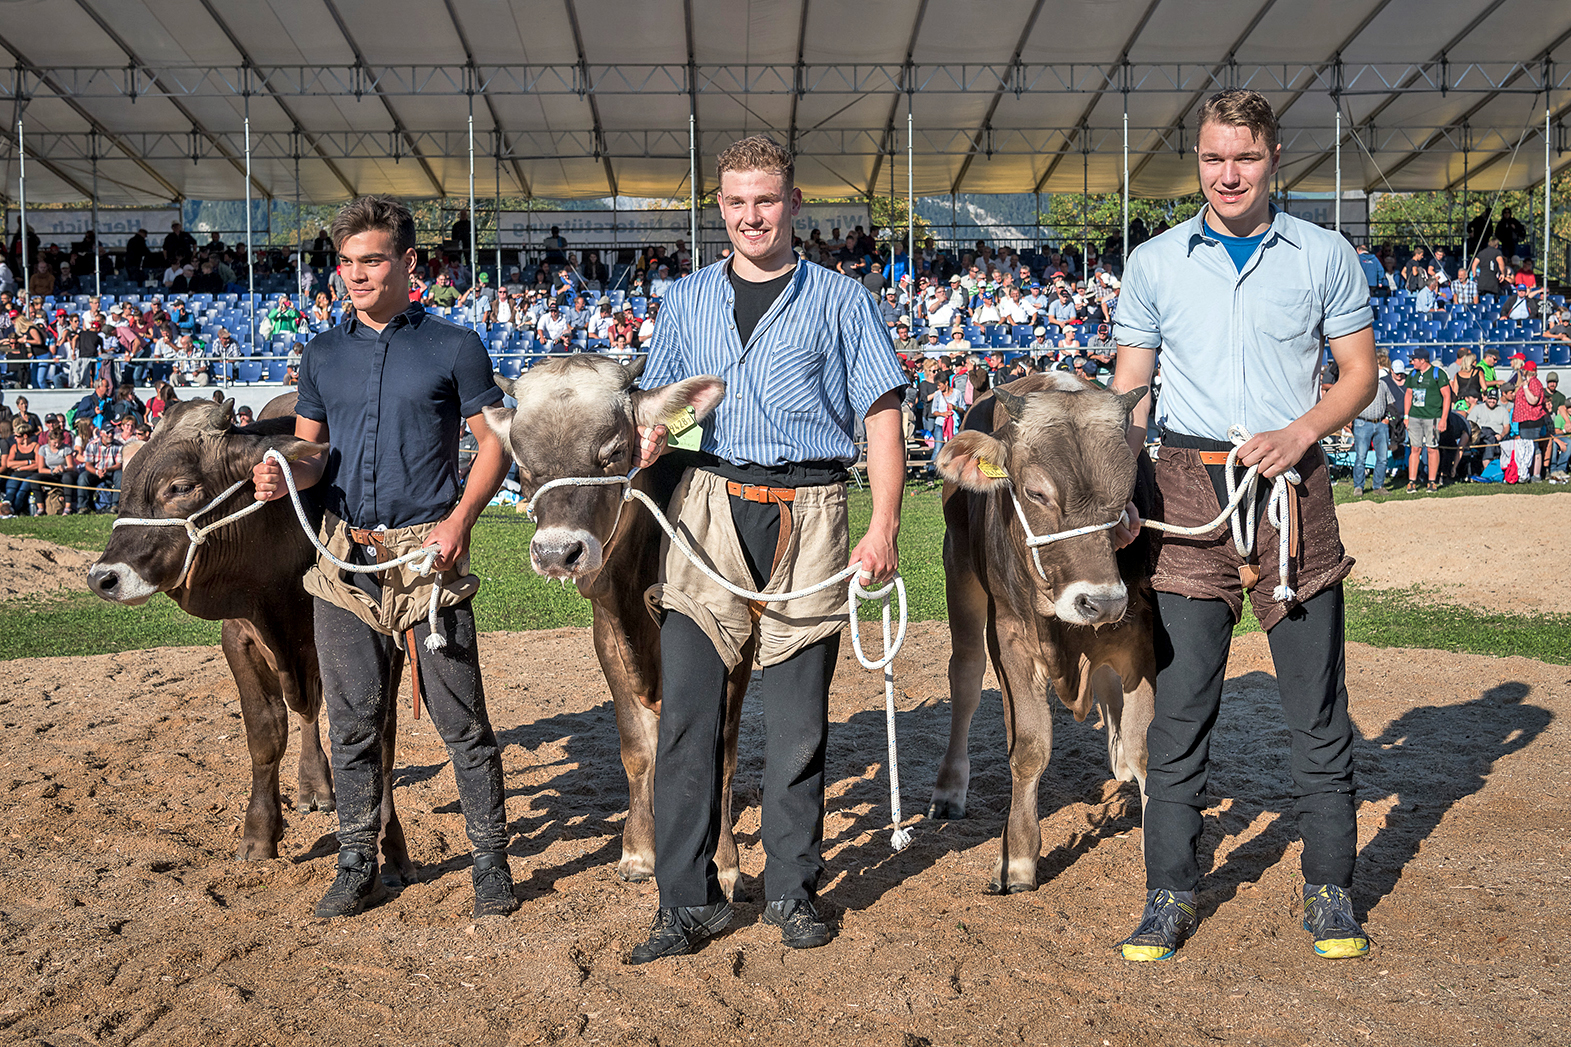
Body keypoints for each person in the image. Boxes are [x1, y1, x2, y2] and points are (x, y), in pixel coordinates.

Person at [1110, 88, 1377, 963]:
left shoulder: (1325, 255)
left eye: (1246, 157)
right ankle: (1167, 895)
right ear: (1197, 159)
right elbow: (1132, 389)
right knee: (1181, 708)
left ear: (1272, 160)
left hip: (1290, 491)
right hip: (1185, 492)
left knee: (1315, 707)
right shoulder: (1153, 261)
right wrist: (1117, 474)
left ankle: (1329, 886)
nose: (1228, 174)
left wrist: (1301, 430)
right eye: (1213, 158)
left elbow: (1357, 376)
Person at [629, 135, 906, 962]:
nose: (752, 215)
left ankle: (791, 890)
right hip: (707, 505)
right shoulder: (681, 299)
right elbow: (663, 406)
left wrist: (883, 524)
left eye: (767, 199)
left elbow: (881, 416)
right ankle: (685, 903)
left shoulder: (842, 300)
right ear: (720, 207)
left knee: (796, 725)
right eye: (736, 201)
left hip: (812, 508)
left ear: (793, 204)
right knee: (686, 718)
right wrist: (650, 434)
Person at [250, 195, 518, 920]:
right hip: (343, 559)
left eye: (371, 259)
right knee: (351, 723)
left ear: (407, 263)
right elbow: (311, 454)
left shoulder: (455, 345)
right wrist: (282, 469)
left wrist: (462, 518)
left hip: (428, 555)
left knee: (463, 722)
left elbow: (493, 439)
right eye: (346, 262)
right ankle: (356, 863)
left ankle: (491, 864)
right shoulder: (321, 352)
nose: (356, 274)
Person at [1403, 348, 1450, 493]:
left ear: (1423, 360)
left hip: (1432, 417)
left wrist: (1443, 418)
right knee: (1415, 448)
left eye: (1414, 359)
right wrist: (1406, 416)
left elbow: (1447, 396)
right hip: (1415, 416)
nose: (1412, 362)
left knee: (1432, 448)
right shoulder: (1413, 374)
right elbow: (1408, 394)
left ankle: (1432, 481)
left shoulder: (1438, 374)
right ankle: (1412, 481)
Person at [1350, 361, 1395, 496]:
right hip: (1362, 423)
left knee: (1382, 458)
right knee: (1361, 457)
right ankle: (1358, 486)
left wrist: (1387, 418)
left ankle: (1378, 486)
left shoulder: (1383, 385)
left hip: (1381, 423)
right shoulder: (1359, 386)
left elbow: (1391, 404)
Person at [1509, 355, 1549, 483]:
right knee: (1526, 447)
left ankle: (1535, 475)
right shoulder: (1527, 382)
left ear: (1528, 371)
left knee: (1533, 447)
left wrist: (1525, 387)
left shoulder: (1534, 383)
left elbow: (1533, 400)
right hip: (1525, 420)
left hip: (1532, 420)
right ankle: (1527, 473)